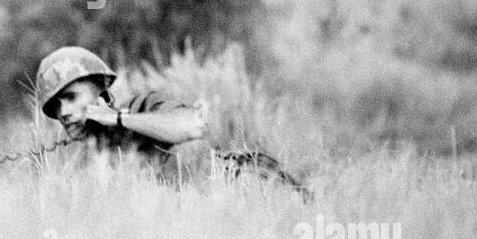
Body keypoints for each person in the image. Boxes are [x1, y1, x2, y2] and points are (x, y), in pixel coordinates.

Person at [35, 45, 306, 193]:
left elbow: (192, 126)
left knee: (189, 149)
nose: (64, 112)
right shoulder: (86, 161)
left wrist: (117, 118)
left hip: (248, 186)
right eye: (56, 107)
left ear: (100, 88)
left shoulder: (142, 106)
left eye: (71, 97)